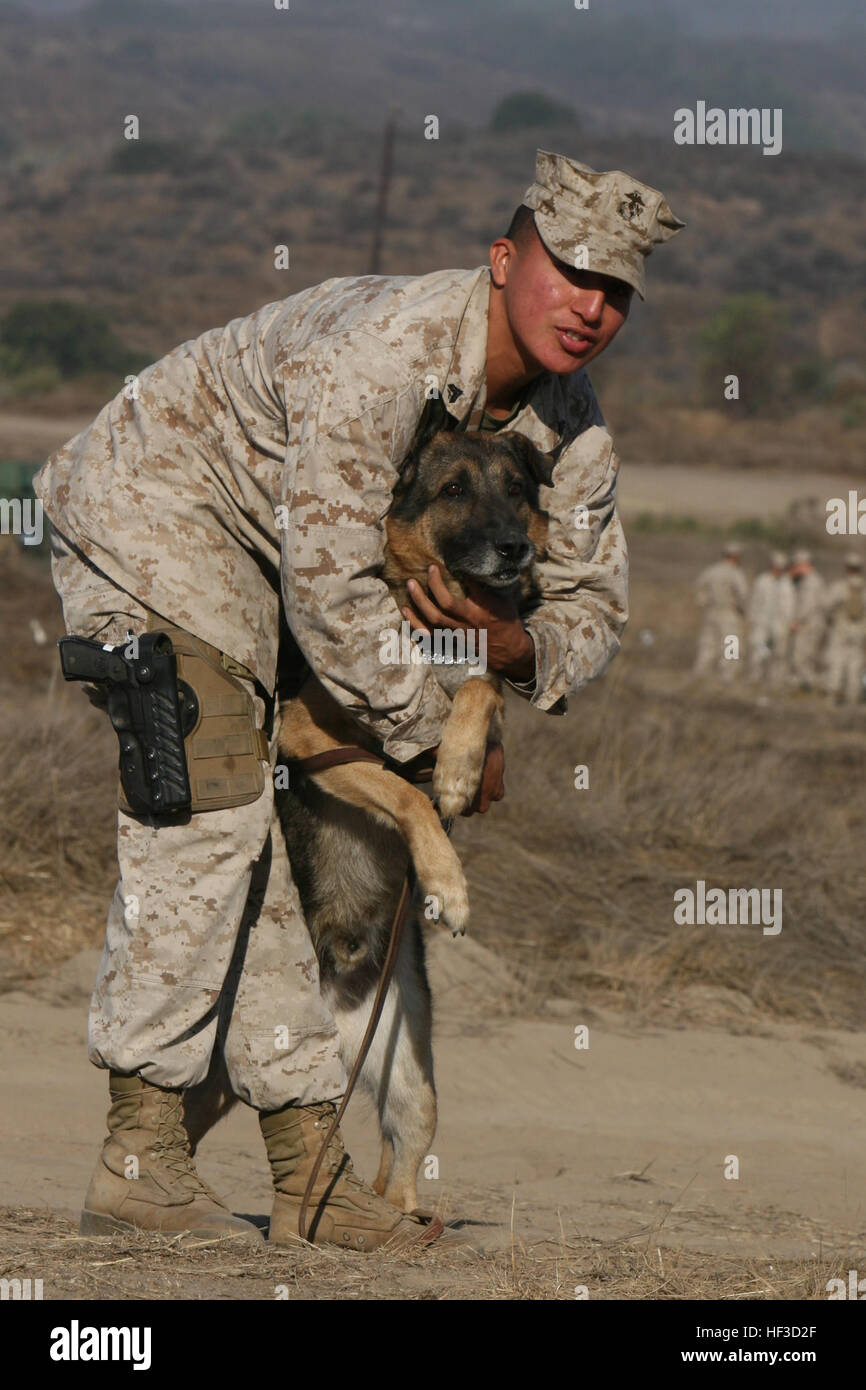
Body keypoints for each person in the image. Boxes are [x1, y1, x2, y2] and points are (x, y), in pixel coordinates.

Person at [34, 150, 683, 1250]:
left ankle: (306, 1172)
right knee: (203, 813)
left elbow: (592, 609)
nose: (589, 306)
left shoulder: (569, 424)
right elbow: (335, 592)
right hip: (154, 507)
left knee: (268, 856)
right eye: (567, 271)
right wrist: (443, 740)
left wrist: (516, 647)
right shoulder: (380, 355)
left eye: (614, 290)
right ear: (499, 258)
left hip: (261, 558)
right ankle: (142, 1166)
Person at [693, 541, 748, 683]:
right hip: (729, 614)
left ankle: (700, 676)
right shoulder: (736, 573)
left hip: (711, 612)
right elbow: (743, 594)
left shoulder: (711, 571)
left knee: (708, 645)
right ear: (736, 556)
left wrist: (704, 603)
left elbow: (699, 588)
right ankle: (728, 677)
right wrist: (742, 610)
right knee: (731, 645)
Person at [823, 552, 866, 706]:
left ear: (846, 568)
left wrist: (831, 622)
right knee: (855, 666)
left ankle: (832, 697)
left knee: (836, 663)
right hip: (859, 634)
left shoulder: (839, 587)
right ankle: (852, 700)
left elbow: (826, 607)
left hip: (840, 632)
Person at [747, 550, 793, 687]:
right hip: (762, 623)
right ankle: (755, 678)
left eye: (781, 567)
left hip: (779, 625)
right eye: (776, 566)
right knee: (759, 652)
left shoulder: (787, 583)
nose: (778, 569)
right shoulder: (762, 581)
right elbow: (755, 601)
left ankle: (775, 682)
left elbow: (790, 606)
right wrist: (752, 619)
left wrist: (788, 624)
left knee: (779, 654)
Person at [788, 548, 826, 690]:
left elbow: (807, 605)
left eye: (797, 565)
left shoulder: (811, 581)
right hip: (810, 624)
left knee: (802, 657)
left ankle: (808, 686)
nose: (795, 568)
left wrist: (796, 621)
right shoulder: (809, 580)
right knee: (805, 657)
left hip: (809, 625)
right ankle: (806, 685)